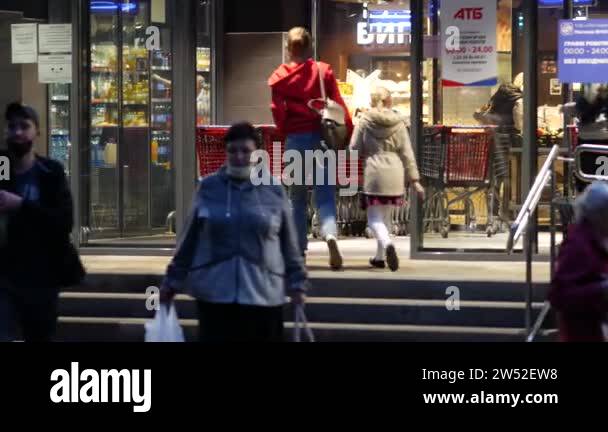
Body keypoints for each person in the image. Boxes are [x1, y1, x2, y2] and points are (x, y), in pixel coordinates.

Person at [160, 122, 308, 342]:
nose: (239, 156)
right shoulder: (209, 188)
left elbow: (289, 243)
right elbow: (189, 239)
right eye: (233, 151)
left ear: (256, 153)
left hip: (263, 295)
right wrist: (172, 280)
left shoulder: (272, 190)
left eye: (245, 151)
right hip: (216, 295)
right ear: (226, 152)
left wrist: (297, 281)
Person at [268, 27, 353, 270]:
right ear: (309, 46)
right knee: (324, 193)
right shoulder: (322, 70)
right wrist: (346, 131)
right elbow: (337, 102)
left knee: (296, 197)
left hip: (296, 139)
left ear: (288, 48)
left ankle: (298, 252)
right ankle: (330, 236)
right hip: (322, 137)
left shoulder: (280, 77)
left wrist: (286, 130)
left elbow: (278, 110)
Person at [0, 102, 84, 342]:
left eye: (24, 126)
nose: (17, 133)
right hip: (4, 274)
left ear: (37, 132)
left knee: (39, 335)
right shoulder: (2, 168)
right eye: (11, 126)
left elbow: (62, 222)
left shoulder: (49, 172)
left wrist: (21, 205)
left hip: (41, 277)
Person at [350, 87, 424, 272]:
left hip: (374, 172)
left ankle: (388, 244)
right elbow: (407, 153)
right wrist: (414, 179)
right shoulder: (398, 123)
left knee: (374, 219)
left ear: (371, 101)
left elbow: (354, 148)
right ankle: (379, 258)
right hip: (395, 173)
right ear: (390, 101)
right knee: (386, 218)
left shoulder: (365, 121)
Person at [549, 181, 608, 342]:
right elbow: (559, 295)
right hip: (580, 332)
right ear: (598, 214)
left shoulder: (598, 239)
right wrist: (601, 289)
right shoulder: (578, 245)